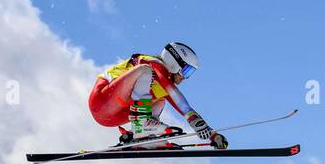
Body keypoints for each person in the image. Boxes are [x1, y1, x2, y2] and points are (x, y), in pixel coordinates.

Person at [87, 42, 227, 148]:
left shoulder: (162, 81)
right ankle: (141, 125)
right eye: (186, 71)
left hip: (113, 116)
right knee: (145, 71)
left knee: (160, 98)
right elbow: (178, 99)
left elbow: (180, 104)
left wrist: (211, 134)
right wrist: (198, 124)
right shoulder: (153, 64)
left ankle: (142, 136)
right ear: (174, 63)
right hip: (101, 102)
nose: (184, 78)